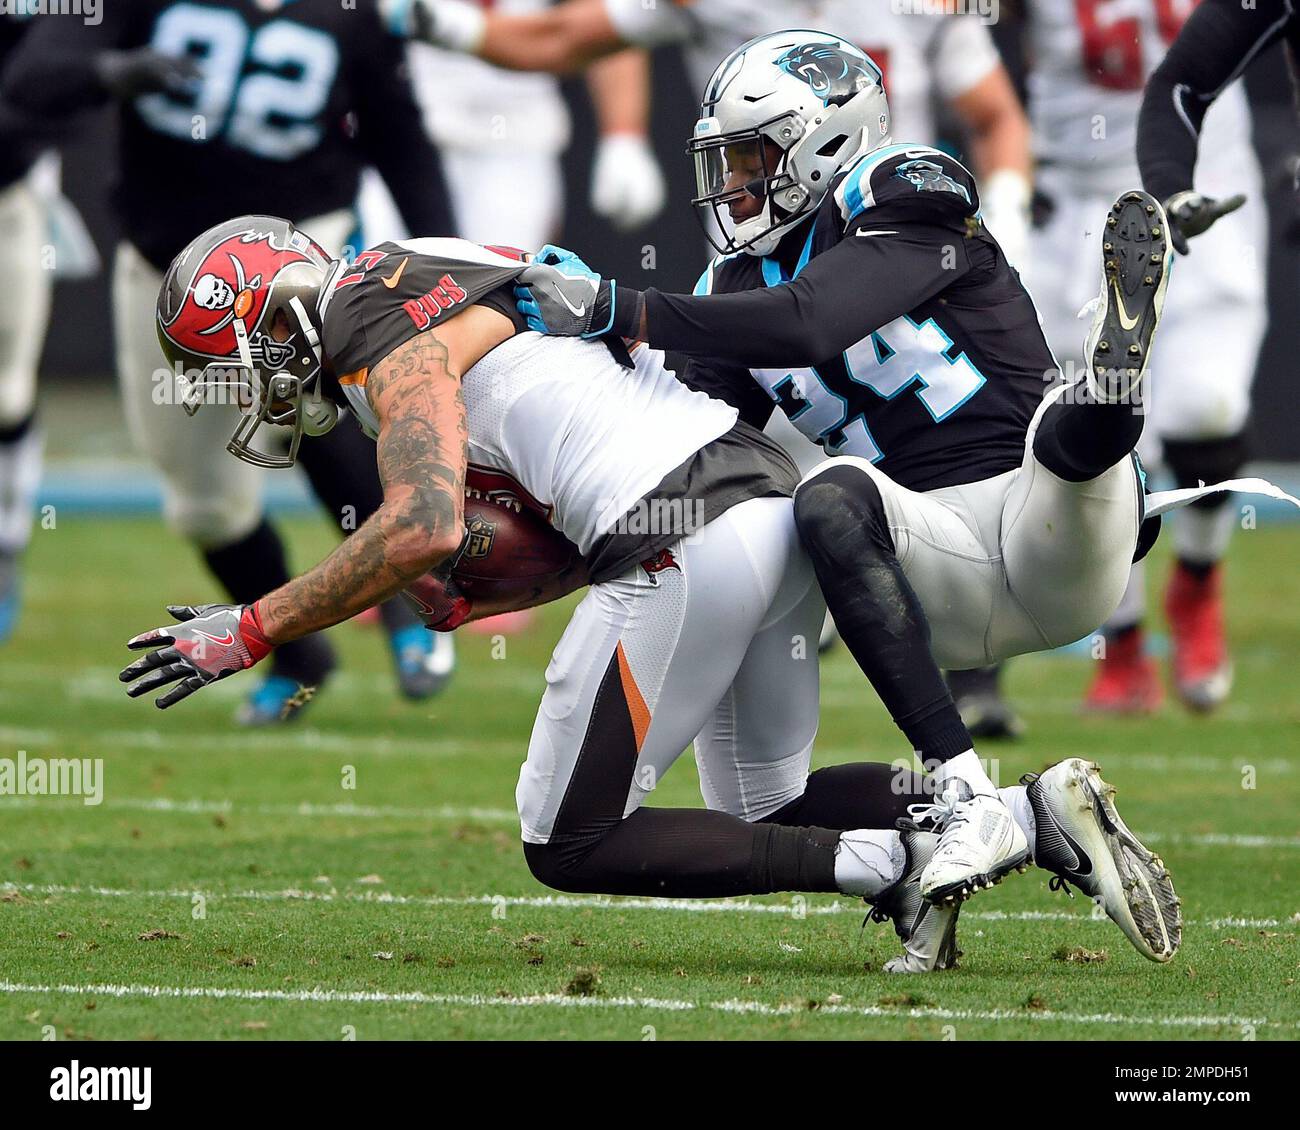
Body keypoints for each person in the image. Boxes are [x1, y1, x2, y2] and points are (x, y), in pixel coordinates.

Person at [119, 217, 1183, 967]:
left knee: (567, 838)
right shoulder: (420, 267)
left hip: (683, 528)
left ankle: (901, 862)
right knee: (764, 807)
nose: (252, 395)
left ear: (279, 320)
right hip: (754, 497)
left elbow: (423, 521)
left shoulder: (365, 324)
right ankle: (1023, 814)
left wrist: (251, 626)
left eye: (240, 363)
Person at [513, 29, 1297, 903]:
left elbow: (814, 319)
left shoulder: (903, 185)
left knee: (1054, 437)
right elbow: (691, 454)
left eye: (753, 157)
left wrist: (624, 307)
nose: (734, 183)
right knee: (825, 505)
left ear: (826, 144)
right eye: (726, 161)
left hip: (1042, 523)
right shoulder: (727, 293)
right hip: (932, 567)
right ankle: (984, 800)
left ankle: (1109, 399)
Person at [1, 0, 460, 720]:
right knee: (204, 505)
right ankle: (299, 650)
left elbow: (401, 141)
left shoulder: (350, 15)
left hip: (295, 238)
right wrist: (110, 70)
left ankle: (409, 594)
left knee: (304, 401)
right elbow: (32, 82)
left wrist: (447, 262)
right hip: (169, 269)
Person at [1009, 0, 1268, 715]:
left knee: (1207, 405)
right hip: (1078, 198)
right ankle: (1119, 644)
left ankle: (1197, 581)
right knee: (1102, 430)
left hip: (1204, 189)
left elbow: (1192, 73)